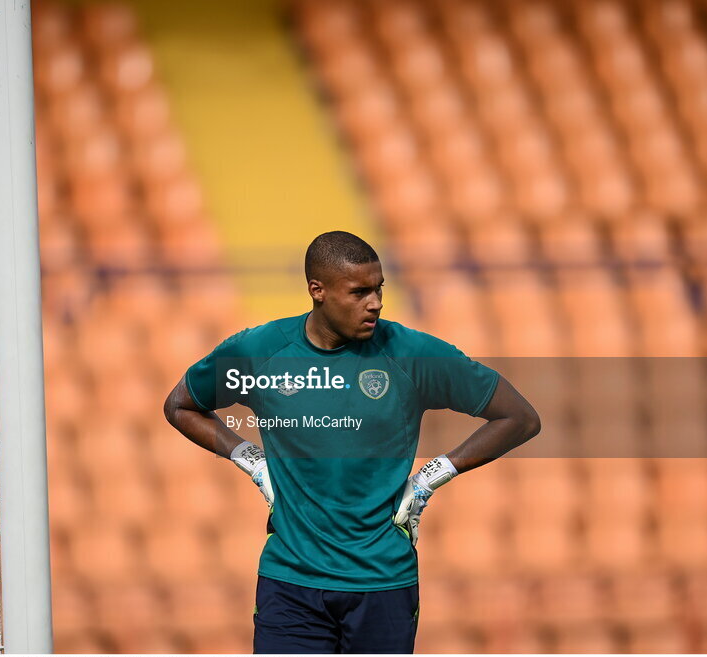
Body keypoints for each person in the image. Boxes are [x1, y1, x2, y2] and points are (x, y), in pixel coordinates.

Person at [163, 231, 540, 653]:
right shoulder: (259, 352)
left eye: (379, 289)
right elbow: (180, 406)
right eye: (360, 292)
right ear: (317, 290)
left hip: (383, 582)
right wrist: (250, 460)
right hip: (290, 583)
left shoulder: (410, 353)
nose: (375, 303)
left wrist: (431, 477)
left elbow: (519, 418)